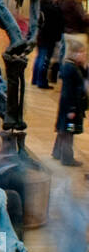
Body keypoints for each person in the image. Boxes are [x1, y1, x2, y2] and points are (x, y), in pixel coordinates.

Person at [52, 38, 88, 166]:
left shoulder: (72, 66)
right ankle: (67, 158)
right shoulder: (70, 68)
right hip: (70, 109)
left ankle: (57, 152)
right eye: (82, 52)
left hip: (68, 108)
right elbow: (69, 92)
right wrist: (72, 109)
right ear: (74, 53)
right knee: (68, 131)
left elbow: (84, 77)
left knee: (64, 130)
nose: (84, 55)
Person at [33, 0, 65, 88]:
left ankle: (35, 79)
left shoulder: (41, 6)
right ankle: (41, 81)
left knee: (39, 57)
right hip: (49, 37)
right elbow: (59, 22)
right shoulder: (52, 9)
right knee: (44, 59)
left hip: (41, 36)